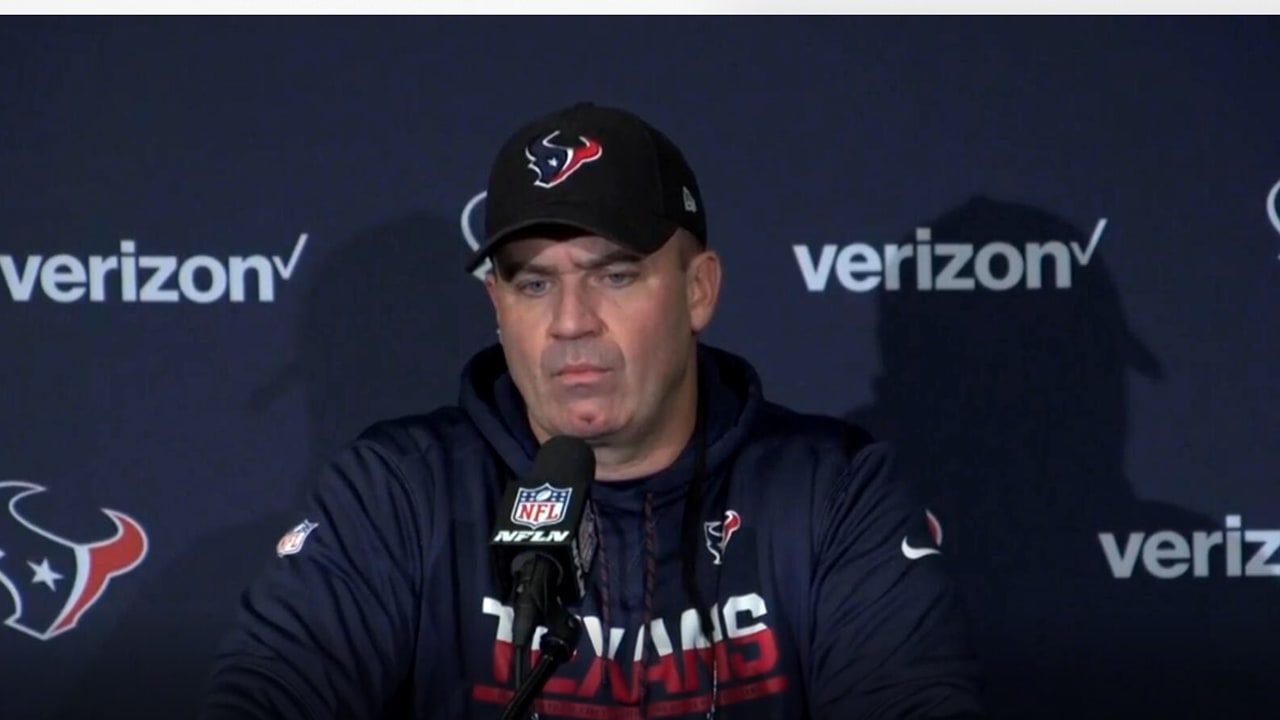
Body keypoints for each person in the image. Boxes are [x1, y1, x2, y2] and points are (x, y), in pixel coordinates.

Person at [197, 101, 986, 720]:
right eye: (534, 283)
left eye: (614, 276)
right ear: (497, 306)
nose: (570, 321)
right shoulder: (399, 492)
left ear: (699, 290)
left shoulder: (829, 493)